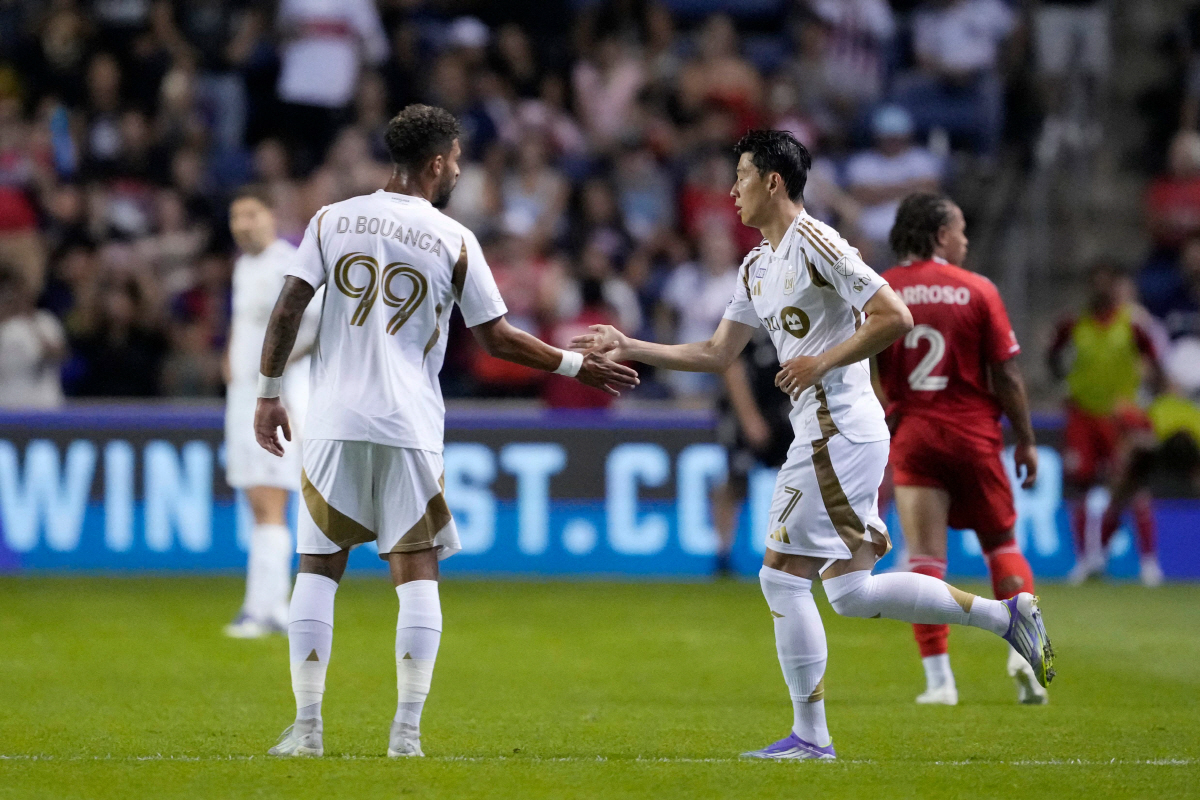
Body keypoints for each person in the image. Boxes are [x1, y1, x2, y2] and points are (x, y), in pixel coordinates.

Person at [572, 130, 1054, 760]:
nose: (731, 190)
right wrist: (631, 346)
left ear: (774, 181)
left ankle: (812, 736)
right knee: (849, 592)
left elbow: (894, 316)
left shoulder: (816, 242)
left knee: (781, 579)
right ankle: (1006, 616)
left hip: (838, 428)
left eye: (741, 175)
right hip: (830, 431)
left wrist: (821, 361)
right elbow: (718, 354)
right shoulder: (757, 264)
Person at [253, 105, 638, 758]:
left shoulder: (330, 219)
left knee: (318, 568)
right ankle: (406, 732)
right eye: (456, 158)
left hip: (334, 419)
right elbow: (497, 338)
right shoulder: (454, 238)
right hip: (408, 424)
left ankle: (308, 728)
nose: (459, 168)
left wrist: (266, 395)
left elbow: (290, 305)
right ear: (435, 163)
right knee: (417, 572)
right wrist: (576, 364)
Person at [875, 192, 1046, 706]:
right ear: (941, 235)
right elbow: (1008, 373)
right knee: (1001, 543)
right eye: (962, 229)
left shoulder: (881, 291)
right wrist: (1027, 439)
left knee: (925, 560)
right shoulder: (977, 290)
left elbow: (867, 367)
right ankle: (1028, 656)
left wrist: (890, 415)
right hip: (974, 433)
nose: (967, 239)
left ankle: (939, 683)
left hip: (915, 434)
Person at [223, 185, 322, 639]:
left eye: (251, 214)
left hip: (275, 398)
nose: (243, 224)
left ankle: (269, 610)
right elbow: (245, 324)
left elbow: (317, 324)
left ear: (270, 216)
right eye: (236, 216)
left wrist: (274, 375)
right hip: (243, 397)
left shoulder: (290, 262)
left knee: (270, 500)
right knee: (256, 498)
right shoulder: (244, 266)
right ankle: (265, 607)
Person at [1049, 265, 1165, 586]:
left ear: (1116, 287)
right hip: (1082, 414)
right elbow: (1053, 357)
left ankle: (1149, 563)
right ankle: (1087, 561)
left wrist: (1145, 403)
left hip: (1120, 417)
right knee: (1082, 486)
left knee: (1130, 486)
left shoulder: (1134, 323)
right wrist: (1064, 384)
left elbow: (1156, 361)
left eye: (1108, 283)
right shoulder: (1073, 323)